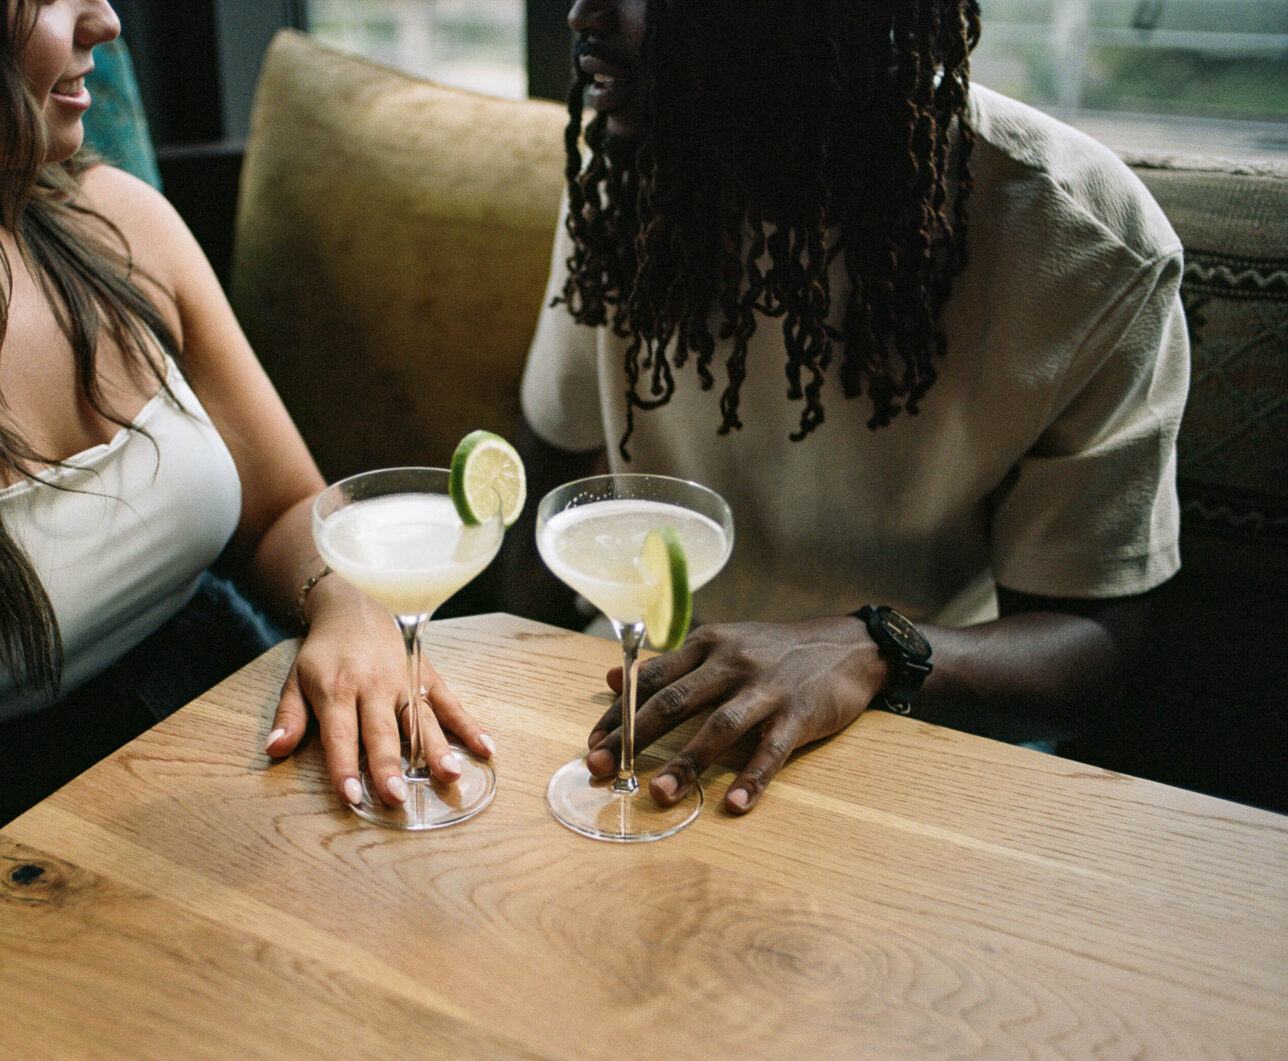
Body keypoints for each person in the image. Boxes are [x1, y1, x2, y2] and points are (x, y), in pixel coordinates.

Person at [0, 0, 493, 1026]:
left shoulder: (117, 219)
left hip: (246, 772)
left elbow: (291, 503)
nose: (106, 19)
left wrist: (347, 608)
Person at [506, 1, 1188, 814]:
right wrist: (499, 711)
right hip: (641, 703)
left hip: (918, 728)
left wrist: (875, 648)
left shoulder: (1083, 244)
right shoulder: (634, 170)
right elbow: (552, 473)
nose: (584, 14)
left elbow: (1095, 648)